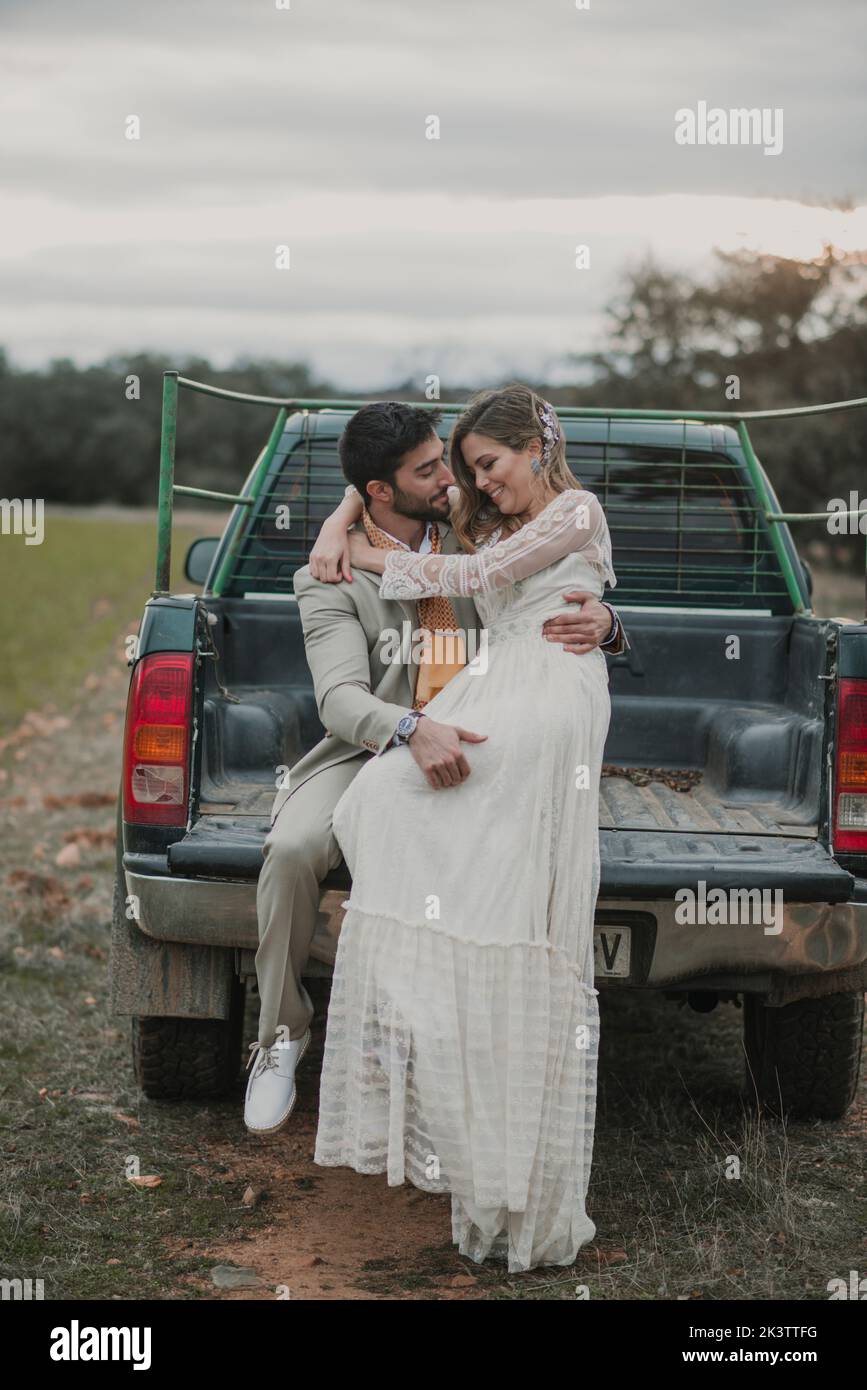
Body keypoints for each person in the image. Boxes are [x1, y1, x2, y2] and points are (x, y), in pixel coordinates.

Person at [246, 397, 627, 1150]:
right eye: (431, 470)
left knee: (455, 846)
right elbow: (339, 700)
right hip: (372, 742)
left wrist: (613, 626)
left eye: (455, 466)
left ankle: (412, 1029)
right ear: (383, 490)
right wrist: (410, 729)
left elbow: (544, 579)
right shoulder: (327, 573)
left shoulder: (472, 528)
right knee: (293, 851)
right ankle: (281, 1035)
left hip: (488, 728)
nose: (457, 480)